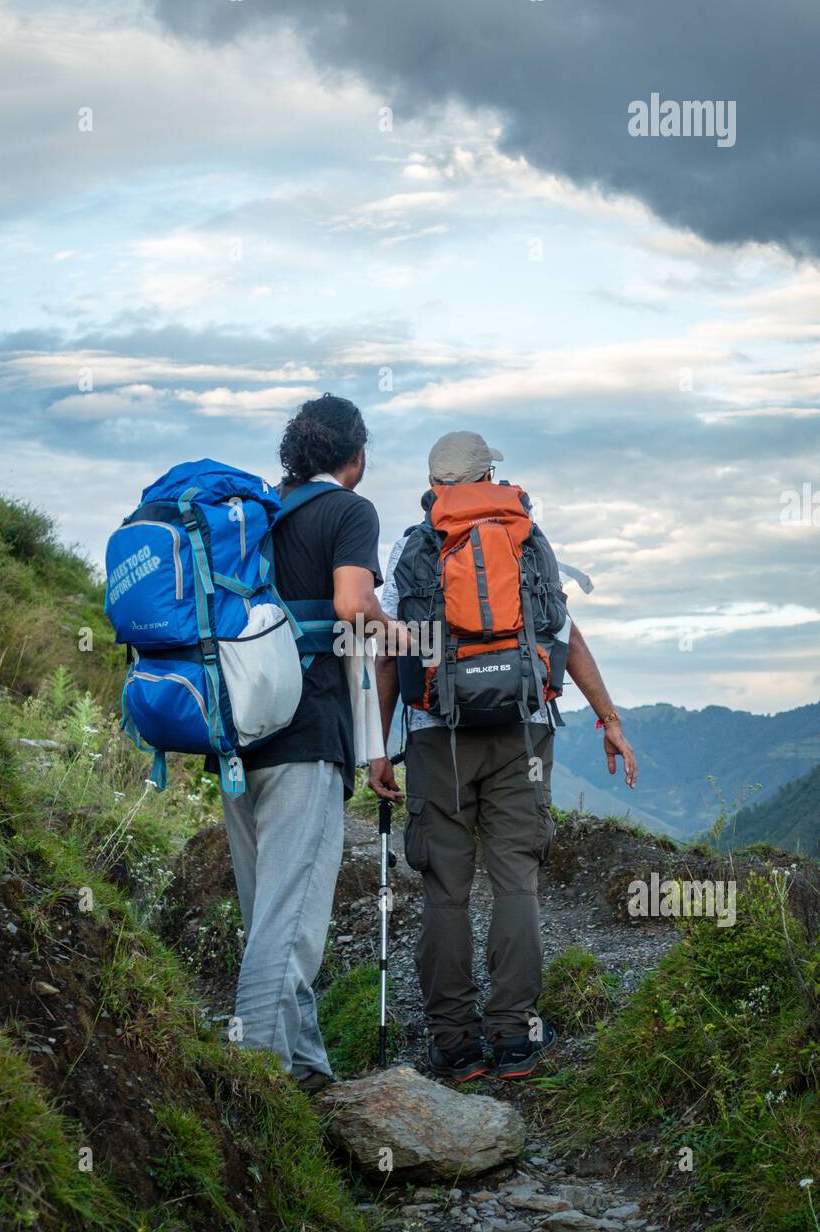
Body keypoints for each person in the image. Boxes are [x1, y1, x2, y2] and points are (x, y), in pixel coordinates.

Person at [370, 431, 638, 1081]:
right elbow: (565, 638)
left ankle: (455, 1045)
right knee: (517, 880)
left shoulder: (415, 546)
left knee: (446, 889)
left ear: (435, 485)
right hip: (524, 732)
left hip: (439, 734)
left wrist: (378, 749)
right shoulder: (529, 541)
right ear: (492, 474)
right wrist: (609, 718)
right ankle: (516, 1037)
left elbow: (386, 658)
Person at [222, 394, 395, 1093]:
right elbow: (354, 607)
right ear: (356, 456)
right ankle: (256, 1096)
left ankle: (306, 1073)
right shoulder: (350, 510)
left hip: (238, 733)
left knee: (268, 911)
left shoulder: (261, 516)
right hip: (304, 732)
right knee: (290, 923)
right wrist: (400, 630)